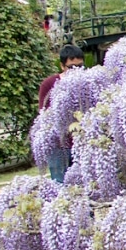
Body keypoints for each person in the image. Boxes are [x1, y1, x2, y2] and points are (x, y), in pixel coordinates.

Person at [38, 44, 85, 183]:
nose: (76, 70)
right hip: (58, 144)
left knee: (84, 184)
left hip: (81, 143)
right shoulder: (50, 84)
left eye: (80, 66)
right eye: (71, 67)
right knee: (59, 183)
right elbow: (44, 114)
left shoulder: (87, 82)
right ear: (62, 66)